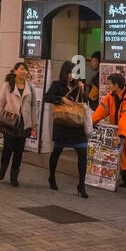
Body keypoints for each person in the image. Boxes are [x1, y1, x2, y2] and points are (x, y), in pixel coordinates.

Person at [44, 61, 89, 197]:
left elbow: (85, 103)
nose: (71, 76)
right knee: (56, 152)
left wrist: (82, 90)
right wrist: (61, 99)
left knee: (82, 154)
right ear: (64, 73)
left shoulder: (78, 85)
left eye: (73, 73)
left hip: (77, 126)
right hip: (62, 125)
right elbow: (47, 97)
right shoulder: (57, 85)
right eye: (69, 73)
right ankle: (51, 176)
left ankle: (81, 184)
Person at [0, 61, 37, 186]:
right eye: (21, 69)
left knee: (19, 152)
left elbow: (33, 107)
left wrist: (33, 124)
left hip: (23, 124)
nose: (23, 71)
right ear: (15, 71)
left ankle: (14, 177)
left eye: (25, 69)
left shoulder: (30, 87)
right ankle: (3, 167)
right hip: (10, 122)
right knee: (7, 149)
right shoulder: (8, 85)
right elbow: (0, 104)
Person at [92, 73, 126, 188]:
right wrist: (91, 121)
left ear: (116, 85)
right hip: (120, 131)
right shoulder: (111, 96)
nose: (108, 86)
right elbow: (101, 110)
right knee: (122, 155)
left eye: (110, 84)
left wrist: (122, 134)